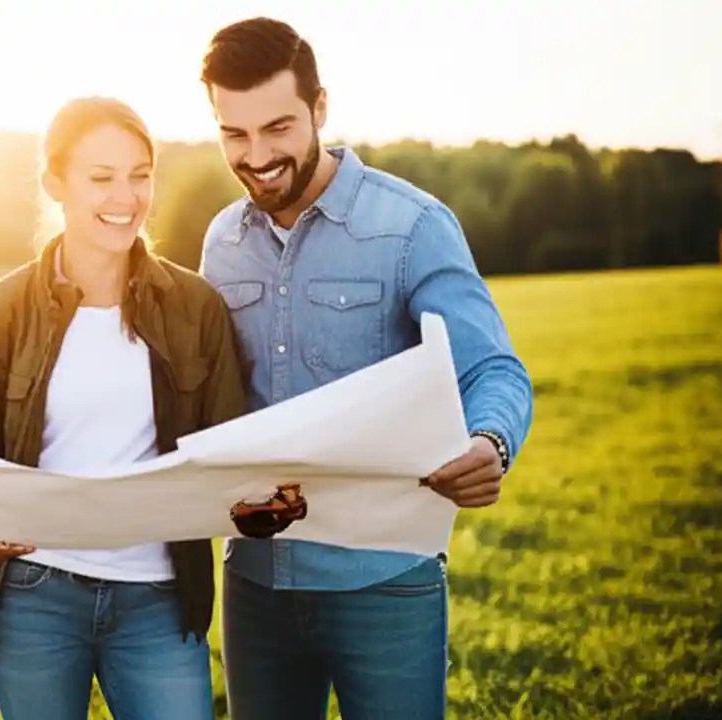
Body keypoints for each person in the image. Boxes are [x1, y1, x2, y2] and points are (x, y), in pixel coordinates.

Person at [197, 17, 535, 719]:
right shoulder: (223, 242)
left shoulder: (413, 225)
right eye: (235, 134)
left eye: (279, 127)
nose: (257, 156)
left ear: (320, 107)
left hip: (385, 582)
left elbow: (493, 369)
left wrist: (490, 442)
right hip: (255, 584)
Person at [0, 96, 248, 720]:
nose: (125, 197)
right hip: (32, 594)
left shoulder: (196, 307)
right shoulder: (1, 312)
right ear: (55, 185)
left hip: (157, 595)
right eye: (101, 178)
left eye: (140, 174)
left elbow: (231, 447)